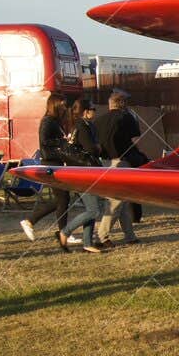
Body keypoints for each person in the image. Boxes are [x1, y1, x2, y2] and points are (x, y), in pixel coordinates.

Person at [20, 96, 74, 249]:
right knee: (62, 198)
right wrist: (62, 142)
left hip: (56, 161)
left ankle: (62, 231)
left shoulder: (56, 121)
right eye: (62, 105)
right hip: (50, 163)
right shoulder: (48, 121)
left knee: (63, 198)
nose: (64, 108)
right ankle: (32, 221)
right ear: (55, 105)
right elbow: (44, 141)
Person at [93, 89, 144, 245]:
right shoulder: (126, 117)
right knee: (116, 200)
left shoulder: (98, 121)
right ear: (123, 104)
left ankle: (129, 235)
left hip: (104, 162)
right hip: (121, 162)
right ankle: (101, 236)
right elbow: (136, 139)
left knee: (123, 200)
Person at [62, 98, 107, 253]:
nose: (95, 112)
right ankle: (65, 232)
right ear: (85, 111)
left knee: (92, 208)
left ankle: (87, 243)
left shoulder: (86, 126)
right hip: (82, 173)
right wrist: (98, 147)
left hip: (87, 171)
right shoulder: (81, 127)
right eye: (92, 109)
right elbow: (91, 149)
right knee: (94, 210)